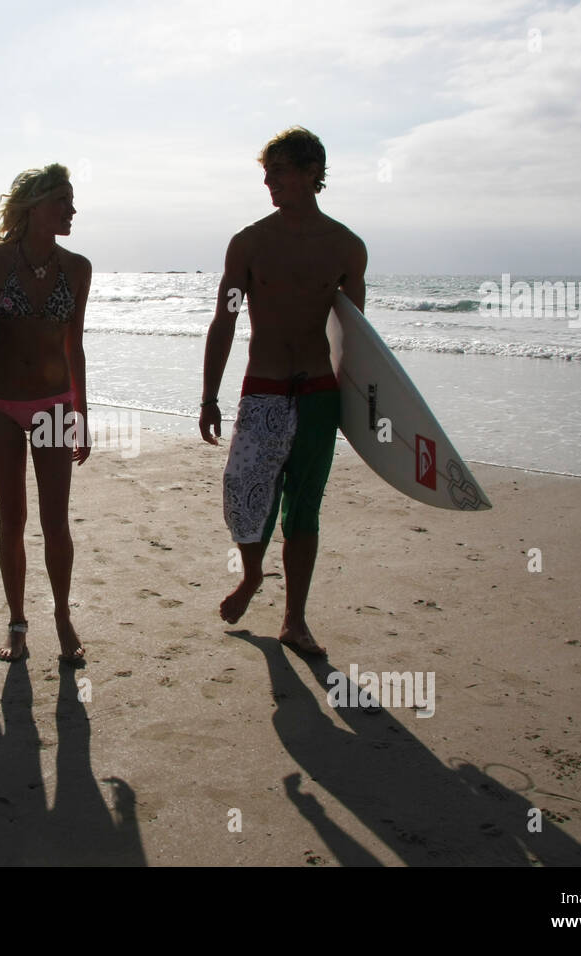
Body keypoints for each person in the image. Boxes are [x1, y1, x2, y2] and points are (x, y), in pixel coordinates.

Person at [199, 127, 366, 656]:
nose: (269, 182)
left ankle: (295, 619)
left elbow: (357, 338)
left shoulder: (345, 247)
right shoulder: (249, 243)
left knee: (304, 509)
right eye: (266, 173)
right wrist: (209, 395)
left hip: (319, 393)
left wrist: (363, 409)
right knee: (242, 498)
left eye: (280, 172)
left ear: (312, 172)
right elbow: (224, 321)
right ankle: (251, 575)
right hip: (263, 391)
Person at [0, 164, 91, 664]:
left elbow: (74, 345)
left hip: (54, 405)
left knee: (56, 522)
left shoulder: (78, 268)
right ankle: (17, 622)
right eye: (63, 201)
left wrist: (81, 411)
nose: (72, 211)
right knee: (10, 520)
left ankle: (62, 615)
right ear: (35, 207)